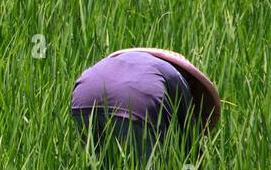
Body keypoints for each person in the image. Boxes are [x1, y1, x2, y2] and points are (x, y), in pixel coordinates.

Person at [70, 48, 219, 161]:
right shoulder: (178, 78)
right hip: (136, 103)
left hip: (83, 94)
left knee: (99, 168)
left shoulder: (144, 64)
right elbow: (189, 148)